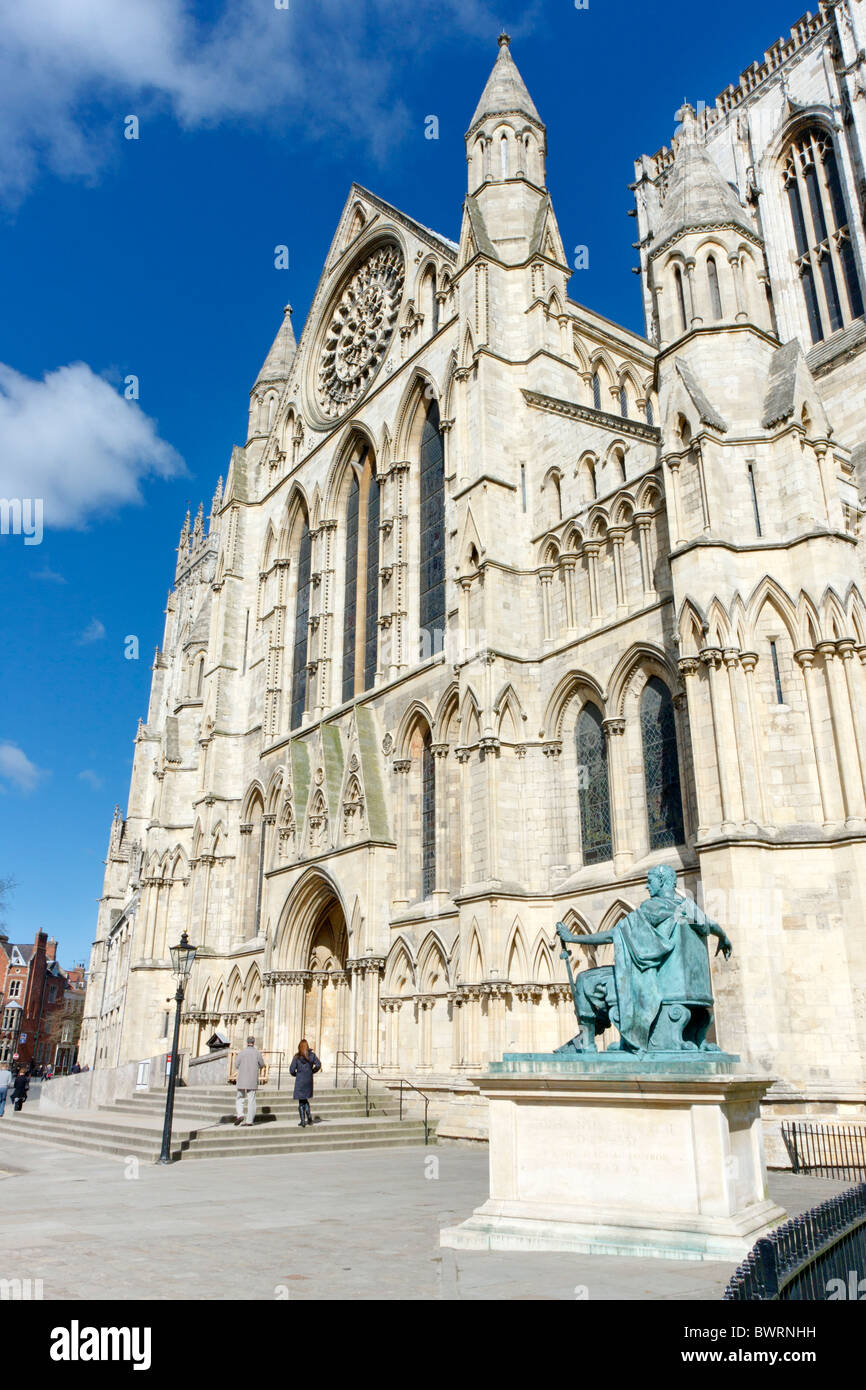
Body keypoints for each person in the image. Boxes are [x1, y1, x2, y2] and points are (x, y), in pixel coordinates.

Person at [234, 1036, 265, 1127]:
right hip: (252, 1079)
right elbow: (262, 1064)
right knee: (251, 1100)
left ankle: (240, 1115)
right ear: (254, 1042)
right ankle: (249, 1121)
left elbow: (236, 1065)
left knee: (240, 1098)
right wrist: (256, 1067)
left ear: (247, 1042)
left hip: (242, 1079)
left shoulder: (242, 1052)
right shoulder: (257, 1053)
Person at [290, 1039, 321, 1128]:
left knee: (301, 1101)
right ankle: (309, 1118)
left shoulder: (297, 1057)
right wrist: (312, 1071)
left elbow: (291, 1070)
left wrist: (296, 1074)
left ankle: (303, 1121)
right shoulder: (312, 1055)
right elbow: (318, 1064)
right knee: (305, 1099)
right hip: (308, 1080)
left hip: (300, 1080)